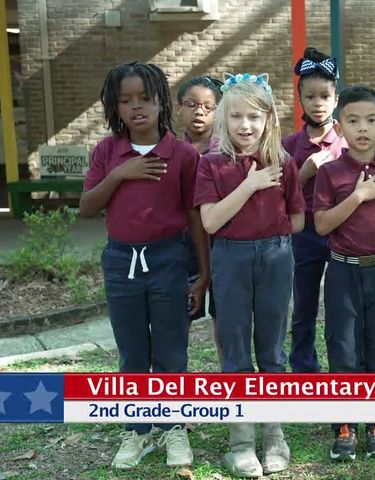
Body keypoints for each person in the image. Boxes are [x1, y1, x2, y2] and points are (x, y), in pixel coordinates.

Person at [80, 61, 207, 469]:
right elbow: (86, 207)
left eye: (145, 99)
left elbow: (194, 217)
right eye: (125, 100)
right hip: (121, 262)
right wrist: (121, 173)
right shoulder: (106, 152)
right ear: (114, 107)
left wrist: (203, 274)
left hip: (169, 259)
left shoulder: (182, 154)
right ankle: (136, 430)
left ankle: (174, 428)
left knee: (171, 350)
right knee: (132, 352)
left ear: (160, 103)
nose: (136, 107)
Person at [194, 73, 304, 478]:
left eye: (254, 117)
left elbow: (297, 218)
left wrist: (268, 236)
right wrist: (251, 185)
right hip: (230, 259)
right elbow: (209, 222)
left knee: (272, 351)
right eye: (236, 117)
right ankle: (240, 443)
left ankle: (274, 436)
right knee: (236, 351)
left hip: (275, 257)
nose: (245, 126)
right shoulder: (211, 165)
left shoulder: (284, 162)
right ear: (224, 120)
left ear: (269, 119)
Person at [313, 85, 375, 461]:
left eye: (371, 120)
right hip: (343, 272)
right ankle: (346, 424)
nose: (362, 128)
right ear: (339, 126)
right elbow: (321, 225)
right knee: (344, 346)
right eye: (353, 121)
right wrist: (357, 196)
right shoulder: (330, 173)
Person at [283, 47, 348, 373]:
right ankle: (304, 367)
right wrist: (306, 170)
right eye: (310, 96)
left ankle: (343, 366)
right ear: (300, 100)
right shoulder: (288, 146)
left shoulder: (348, 142)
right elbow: (276, 194)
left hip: (341, 231)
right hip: (303, 232)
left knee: (341, 306)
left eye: (325, 95)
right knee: (304, 304)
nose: (318, 102)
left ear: (336, 99)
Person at [176, 75, 224, 361]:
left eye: (209, 106)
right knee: (179, 319)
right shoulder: (169, 152)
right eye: (191, 104)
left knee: (225, 319)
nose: (199, 112)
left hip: (222, 244)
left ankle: (228, 378)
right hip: (181, 247)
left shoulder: (229, 153)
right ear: (178, 108)